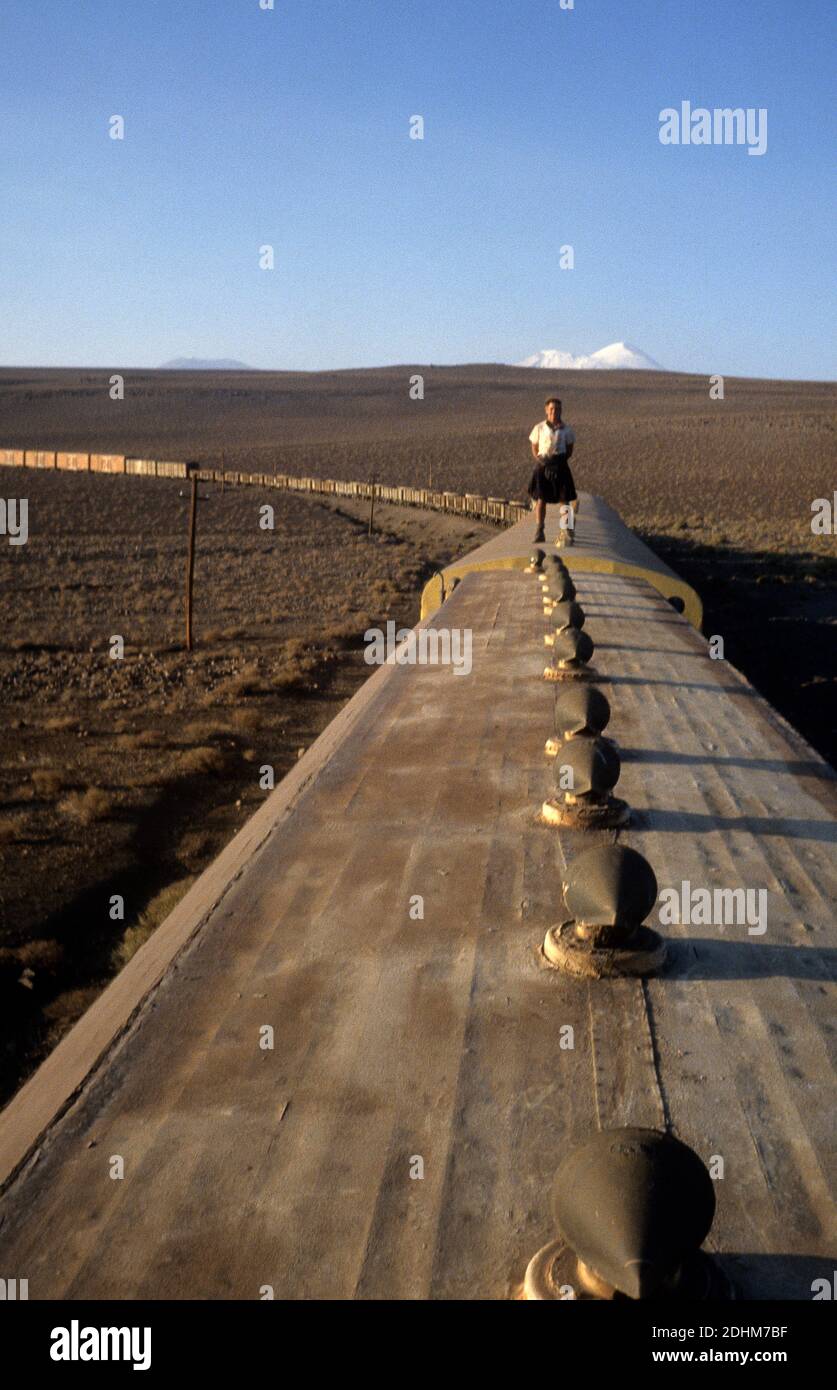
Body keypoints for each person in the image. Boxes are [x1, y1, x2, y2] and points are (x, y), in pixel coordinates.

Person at [527, 396, 578, 544]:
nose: (554, 411)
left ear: (561, 410)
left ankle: (567, 531)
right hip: (543, 465)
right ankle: (539, 530)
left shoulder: (567, 430)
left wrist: (558, 462)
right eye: (552, 408)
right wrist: (543, 462)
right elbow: (534, 447)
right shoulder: (539, 428)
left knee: (564, 499)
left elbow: (569, 450)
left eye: (557, 409)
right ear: (546, 410)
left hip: (560, 464)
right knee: (541, 499)